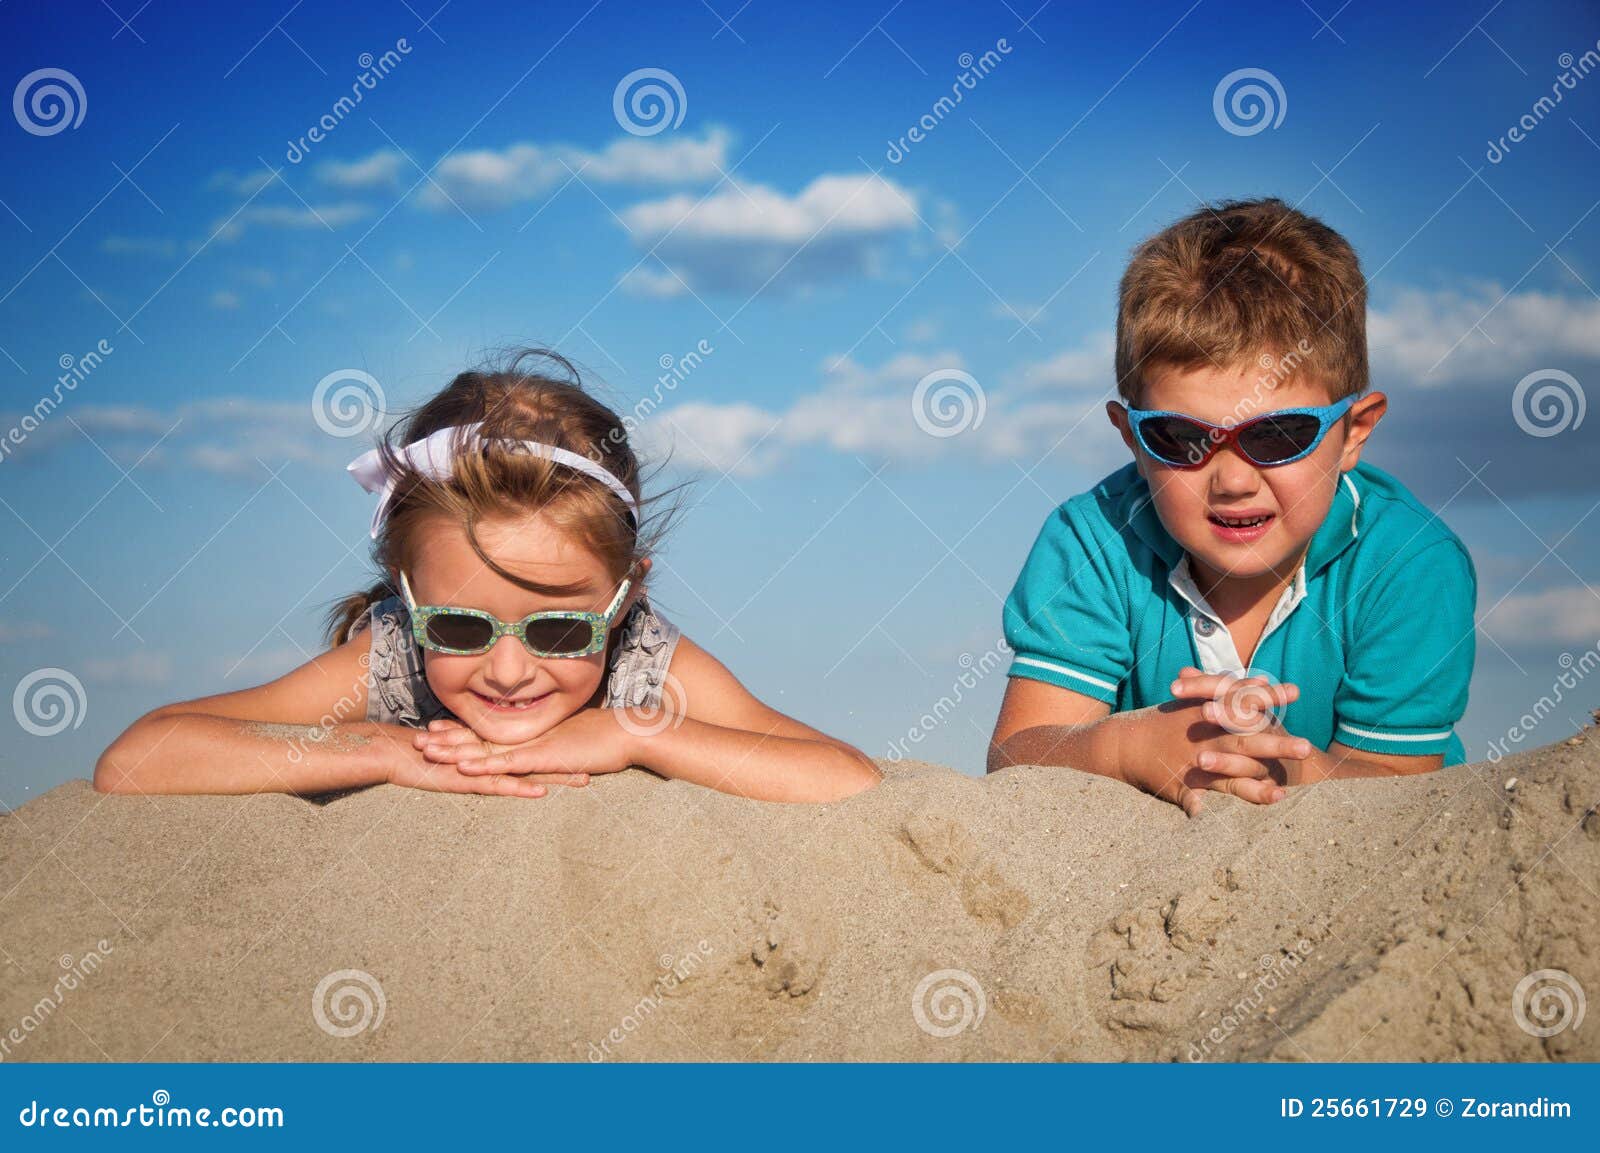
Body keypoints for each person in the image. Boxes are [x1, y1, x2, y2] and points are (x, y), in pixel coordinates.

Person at [95, 349, 880, 804]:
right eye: (461, 626)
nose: (509, 669)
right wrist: (379, 748)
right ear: (406, 594)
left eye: (562, 629)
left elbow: (847, 779)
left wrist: (636, 732)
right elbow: (138, 758)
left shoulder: (646, 662)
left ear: (626, 596)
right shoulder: (392, 659)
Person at [988, 199, 1476, 815]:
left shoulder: (1410, 564)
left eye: (1277, 435)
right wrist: (1126, 748)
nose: (1233, 481)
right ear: (1131, 439)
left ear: (1354, 431)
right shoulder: (1093, 542)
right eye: (1180, 438)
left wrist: (1273, 765)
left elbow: (1402, 787)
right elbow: (1017, 755)